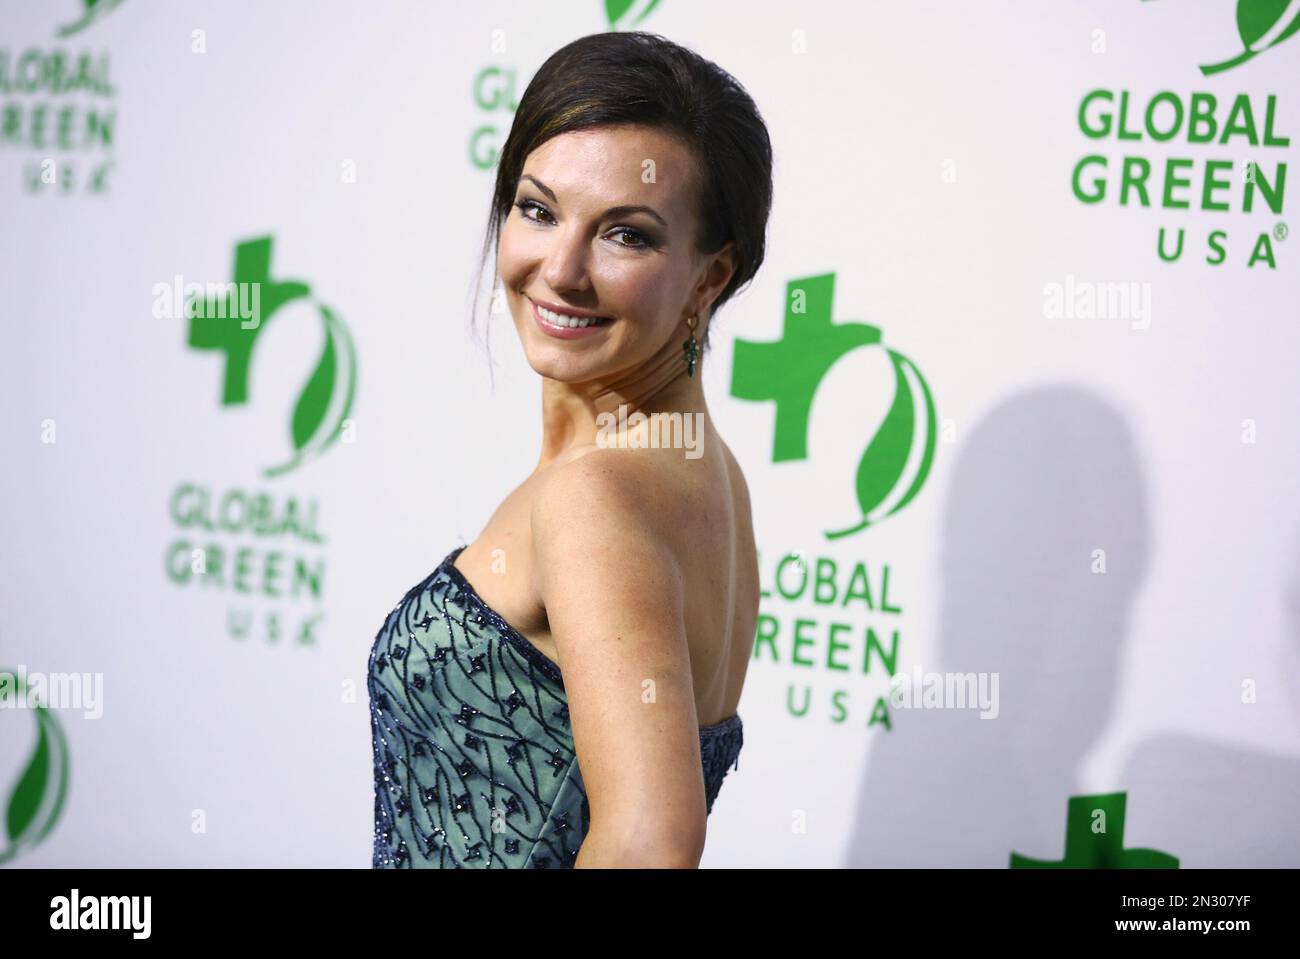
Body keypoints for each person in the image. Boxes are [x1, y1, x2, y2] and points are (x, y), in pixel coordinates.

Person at [369, 29, 772, 868]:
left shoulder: (599, 495)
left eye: (626, 234)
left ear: (710, 276)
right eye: (538, 209)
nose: (560, 269)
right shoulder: (701, 468)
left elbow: (649, 842)